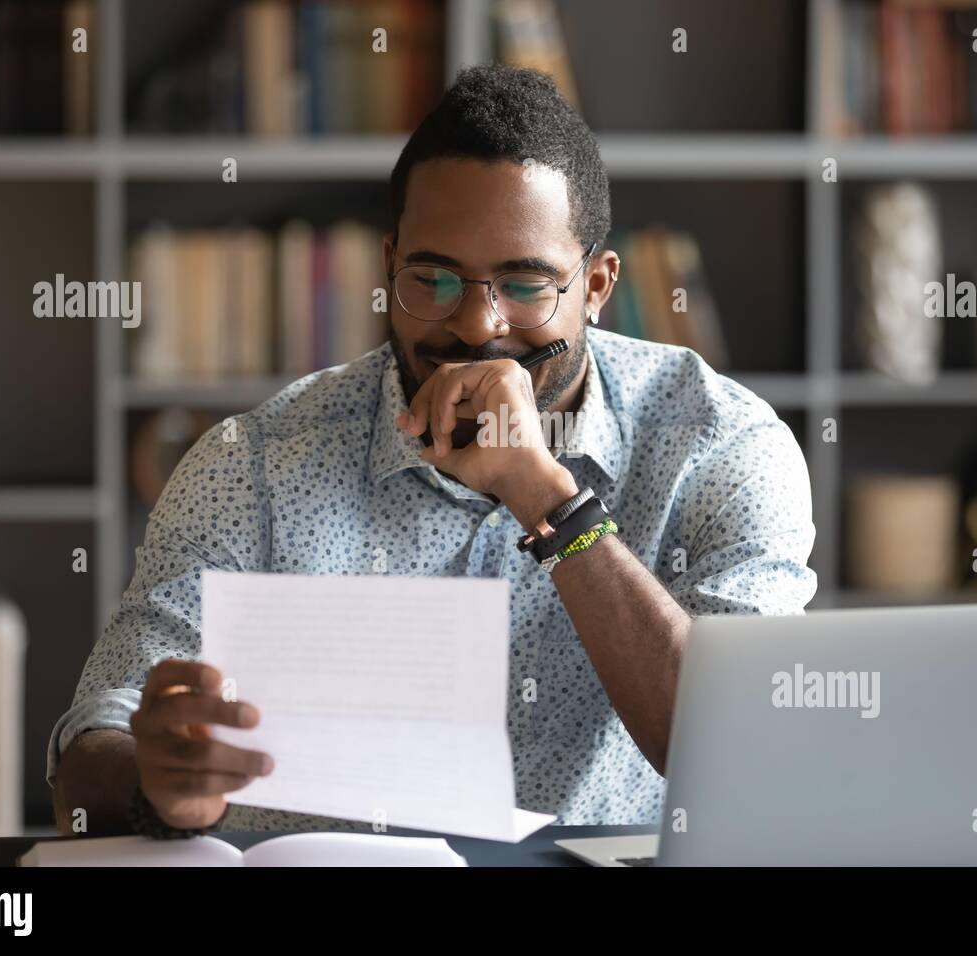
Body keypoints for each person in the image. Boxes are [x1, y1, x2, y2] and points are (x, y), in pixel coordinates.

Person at [48, 64, 816, 836]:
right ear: (388, 268)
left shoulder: (720, 448)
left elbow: (740, 756)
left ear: (596, 286)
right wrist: (157, 786)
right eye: (435, 279)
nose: (479, 326)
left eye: (525, 286)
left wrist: (545, 495)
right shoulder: (252, 466)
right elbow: (87, 763)